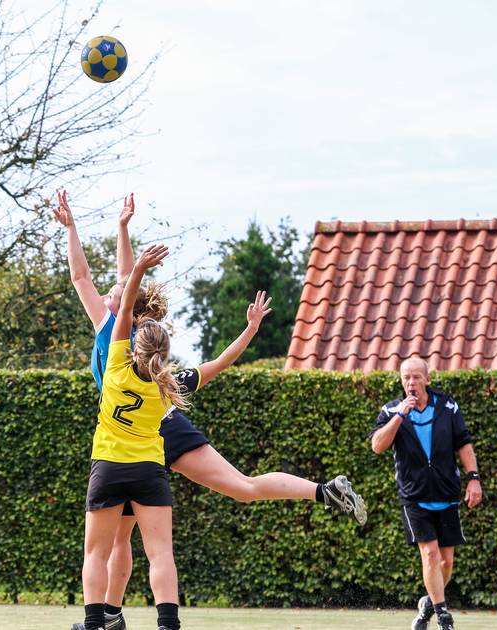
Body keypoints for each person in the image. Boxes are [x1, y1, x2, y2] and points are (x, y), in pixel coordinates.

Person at [56, 192, 367, 630]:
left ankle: (105, 617)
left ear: (123, 305)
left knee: (119, 540)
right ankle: (321, 490)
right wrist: (122, 228)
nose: (112, 289)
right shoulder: (145, 347)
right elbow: (124, 281)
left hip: (135, 440)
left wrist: (81, 229)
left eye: (117, 291)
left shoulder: (114, 331)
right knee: (227, 495)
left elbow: (89, 277)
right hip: (161, 425)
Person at [81, 242, 184, 630]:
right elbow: (216, 363)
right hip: (148, 469)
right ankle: (168, 625)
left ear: (132, 345)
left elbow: (124, 306)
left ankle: (96, 622)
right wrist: (249, 330)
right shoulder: (168, 386)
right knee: (160, 555)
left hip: (108, 464)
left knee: (97, 551)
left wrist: (138, 267)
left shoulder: (115, 370)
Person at [372, 357, 482, 630]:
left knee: (446, 561)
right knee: (430, 555)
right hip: (414, 495)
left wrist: (474, 479)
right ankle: (443, 616)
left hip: (446, 492)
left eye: (416, 377)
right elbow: (377, 445)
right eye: (406, 378)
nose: (411, 383)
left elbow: (464, 445)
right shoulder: (390, 410)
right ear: (401, 381)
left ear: (427, 379)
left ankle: (427, 606)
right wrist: (400, 415)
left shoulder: (448, 406)